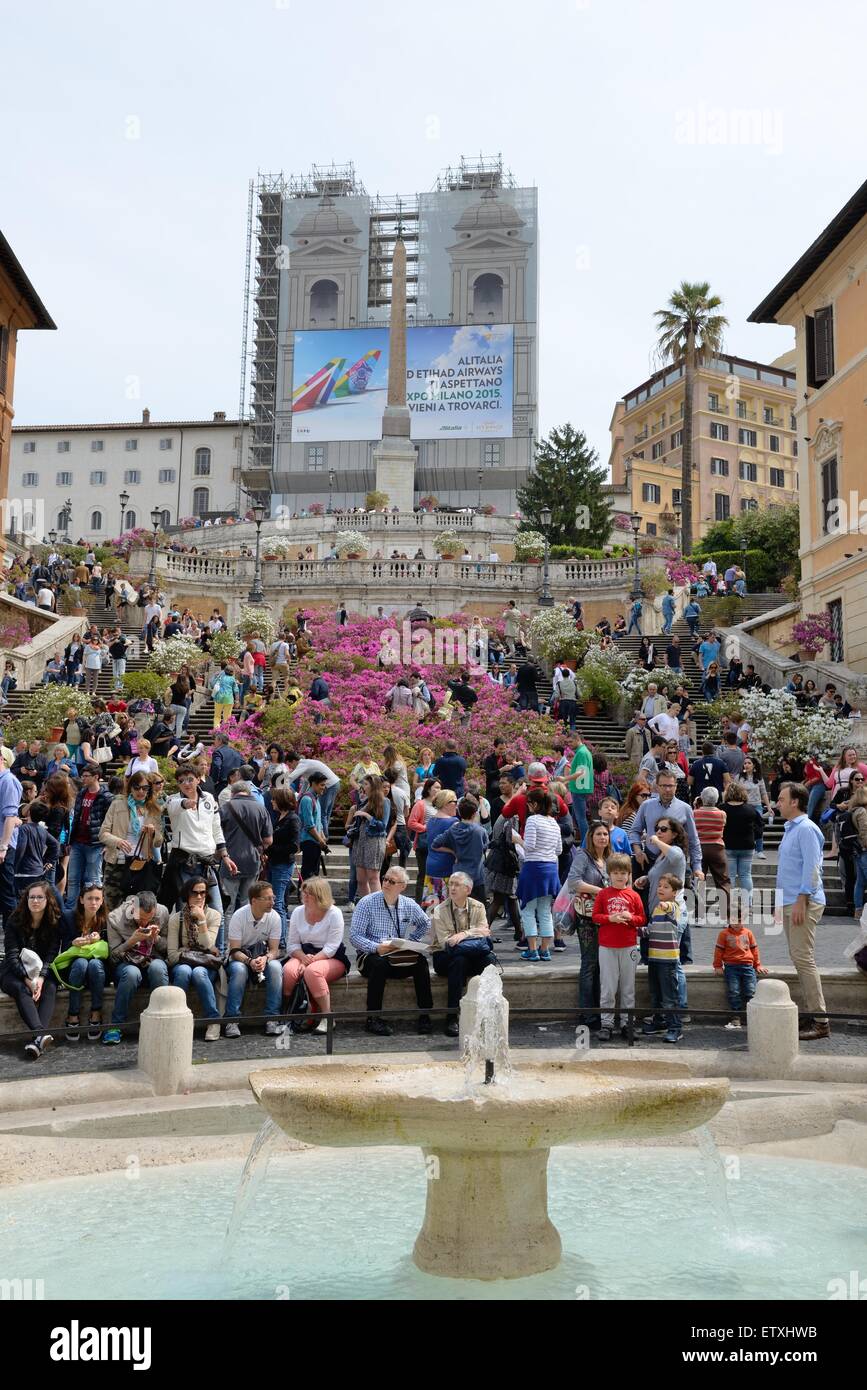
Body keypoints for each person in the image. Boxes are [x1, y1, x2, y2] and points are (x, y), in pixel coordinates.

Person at [349, 865, 434, 1036]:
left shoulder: (409, 904)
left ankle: (425, 1015)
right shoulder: (366, 902)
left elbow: (426, 923)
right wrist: (376, 948)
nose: (386, 883)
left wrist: (411, 942)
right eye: (385, 879)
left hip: (396, 954)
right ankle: (373, 1018)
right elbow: (354, 936)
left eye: (392, 881)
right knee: (379, 964)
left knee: (421, 962)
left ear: (402, 886)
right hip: (370, 956)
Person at [776, 782, 828, 1040]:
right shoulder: (791, 829)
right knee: (799, 957)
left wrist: (801, 899)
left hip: (802, 901)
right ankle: (814, 1013)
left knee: (803, 958)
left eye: (781, 798)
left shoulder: (807, 829)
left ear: (795, 801)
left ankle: (821, 1020)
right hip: (791, 900)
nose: (778, 803)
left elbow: (812, 868)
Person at [162, 768, 233, 921]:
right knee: (187, 911)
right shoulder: (172, 800)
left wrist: (225, 855)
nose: (186, 784)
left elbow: (216, 828)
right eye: (181, 781)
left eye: (189, 779)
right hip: (184, 862)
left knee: (217, 911)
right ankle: (187, 945)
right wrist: (186, 803)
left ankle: (218, 946)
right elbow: (174, 806)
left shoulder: (209, 798)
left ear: (198, 779)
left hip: (206, 862)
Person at [430, 871, 496, 1037]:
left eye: (456, 884)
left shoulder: (478, 906)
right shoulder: (440, 909)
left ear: (468, 889)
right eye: (450, 884)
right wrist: (473, 933)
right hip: (445, 957)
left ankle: (488, 1012)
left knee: (488, 960)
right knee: (459, 960)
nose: (452, 888)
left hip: (471, 954)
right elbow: (447, 942)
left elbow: (485, 933)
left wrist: (463, 935)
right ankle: (452, 1016)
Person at [281, 877, 348, 1032]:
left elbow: (332, 947)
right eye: (303, 893)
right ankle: (288, 1013)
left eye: (308, 894)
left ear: (320, 896)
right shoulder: (298, 912)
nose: (304, 896)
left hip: (331, 956)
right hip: (302, 954)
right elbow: (292, 944)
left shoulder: (334, 913)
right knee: (290, 972)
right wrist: (302, 958)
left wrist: (308, 963)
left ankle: (327, 1017)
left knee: (313, 972)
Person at [102, 891, 170, 1044]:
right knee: (131, 973)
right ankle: (116, 1024)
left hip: (153, 960)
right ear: (133, 907)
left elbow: (168, 950)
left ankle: (163, 1022)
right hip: (126, 965)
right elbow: (112, 958)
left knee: (158, 969)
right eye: (140, 919)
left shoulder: (163, 912)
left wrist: (156, 938)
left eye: (149, 919)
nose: (144, 923)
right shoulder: (115, 918)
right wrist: (131, 941)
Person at [592, 853, 646, 1041]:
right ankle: (606, 1023)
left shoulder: (634, 895)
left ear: (629, 874)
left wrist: (631, 918)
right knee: (607, 986)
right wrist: (610, 918)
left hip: (629, 945)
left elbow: (642, 919)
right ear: (609, 874)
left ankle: (627, 1022)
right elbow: (595, 916)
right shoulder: (603, 894)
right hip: (607, 946)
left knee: (628, 986)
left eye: (623, 873)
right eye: (615, 873)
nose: (620, 876)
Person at [224, 881, 284, 1036]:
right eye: (268, 898)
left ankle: (272, 1018)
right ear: (254, 901)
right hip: (241, 959)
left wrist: (265, 959)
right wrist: (249, 961)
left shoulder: (275, 917)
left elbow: (275, 950)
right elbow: (234, 951)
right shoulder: (239, 916)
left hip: (261, 957)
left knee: (276, 967)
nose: (273, 902)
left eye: (273, 897)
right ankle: (231, 1019)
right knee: (239, 970)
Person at [168, 877, 224, 1041]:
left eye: (203, 893)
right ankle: (177, 1020)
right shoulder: (176, 919)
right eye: (195, 893)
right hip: (182, 965)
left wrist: (201, 920)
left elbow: (207, 944)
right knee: (184, 971)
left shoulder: (214, 915)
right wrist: (193, 954)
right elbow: (171, 956)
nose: (199, 897)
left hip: (205, 966)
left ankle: (213, 1021)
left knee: (199, 973)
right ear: (187, 894)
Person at [567, 821, 611, 1027]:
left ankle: (600, 1011)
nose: (602, 837)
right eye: (598, 834)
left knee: (603, 966)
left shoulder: (610, 858)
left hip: (607, 918)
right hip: (587, 917)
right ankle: (587, 1014)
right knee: (589, 963)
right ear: (591, 837)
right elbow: (573, 882)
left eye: (605, 834)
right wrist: (600, 891)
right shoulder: (583, 856)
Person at [219, 781, 273, 936]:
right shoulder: (261, 809)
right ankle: (244, 941)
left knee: (228, 906)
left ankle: (226, 944)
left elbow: (216, 835)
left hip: (229, 861)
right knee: (247, 904)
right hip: (252, 861)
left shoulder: (225, 808)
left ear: (232, 793)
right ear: (249, 792)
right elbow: (268, 840)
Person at [514, 788, 562, 962]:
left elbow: (530, 846)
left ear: (534, 804)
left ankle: (532, 950)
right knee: (545, 911)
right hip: (550, 869)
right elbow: (559, 850)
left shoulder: (533, 820)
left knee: (528, 910)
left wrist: (517, 840)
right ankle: (544, 950)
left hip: (533, 868)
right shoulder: (554, 822)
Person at [60, 882, 109, 1042]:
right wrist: (73, 942)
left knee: (94, 964)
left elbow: (111, 950)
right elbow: (63, 948)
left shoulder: (106, 920)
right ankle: (72, 1014)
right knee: (81, 963)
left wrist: (100, 938)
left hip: (98, 970)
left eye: (97, 899)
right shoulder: (68, 917)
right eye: (89, 899)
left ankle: (96, 1011)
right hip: (75, 969)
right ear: (81, 900)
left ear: (102, 901)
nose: (93, 903)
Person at [642, 872, 686, 1043]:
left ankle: (675, 1028)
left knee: (669, 997)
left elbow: (669, 907)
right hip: (654, 958)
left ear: (675, 892)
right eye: (659, 886)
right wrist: (632, 928)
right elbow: (649, 930)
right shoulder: (656, 909)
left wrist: (665, 904)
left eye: (666, 887)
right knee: (656, 995)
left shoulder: (673, 907)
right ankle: (659, 1022)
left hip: (668, 961)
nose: (661, 889)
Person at [64, 765, 112, 909]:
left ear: (96, 777)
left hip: (95, 843)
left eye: (86, 776)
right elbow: (76, 817)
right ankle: (71, 910)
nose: (83, 778)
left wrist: (107, 844)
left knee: (93, 880)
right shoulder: (82, 793)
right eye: (83, 776)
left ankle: (94, 910)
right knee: (73, 879)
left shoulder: (106, 797)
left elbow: (110, 822)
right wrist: (70, 841)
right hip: (78, 841)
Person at [430, 795, 488, 904]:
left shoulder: (453, 829)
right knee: (479, 909)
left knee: (458, 909)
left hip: (458, 873)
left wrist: (452, 851)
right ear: (474, 813)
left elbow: (435, 844)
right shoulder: (480, 831)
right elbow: (485, 847)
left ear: (460, 813)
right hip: (476, 875)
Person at [713, 920, 768, 1029]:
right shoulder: (723, 934)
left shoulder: (748, 933)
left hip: (748, 966)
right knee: (734, 991)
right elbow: (718, 951)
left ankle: (751, 1015)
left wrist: (757, 965)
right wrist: (718, 966)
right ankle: (736, 1015)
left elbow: (754, 950)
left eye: (739, 921)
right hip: (731, 967)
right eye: (733, 921)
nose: (736, 923)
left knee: (751, 991)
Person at [346, 774, 391, 898]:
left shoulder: (384, 801)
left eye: (366, 784)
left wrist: (367, 816)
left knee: (373, 878)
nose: (363, 787)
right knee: (360, 879)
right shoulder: (365, 801)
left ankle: (377, 908)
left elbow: (383, 825)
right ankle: (365, 906)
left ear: (373, 785)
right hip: (360, 841)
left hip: (374, 841)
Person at [692, 787, 731, 923]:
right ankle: (725, 916)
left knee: (699, 882)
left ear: (702, 798)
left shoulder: (695, 813)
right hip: (717, 848)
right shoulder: (722, 814)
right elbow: (724, 826)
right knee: (723, 882)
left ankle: (699, 916)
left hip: (700, 848)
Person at [268, 787, 300, 948]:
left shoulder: (292, 819)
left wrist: (271, 849)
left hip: (283, 864)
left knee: (278, 902)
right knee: (274, 901)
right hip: (274, 862)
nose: (272, 801)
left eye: (274, 799)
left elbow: (294, 846)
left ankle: (280, 939)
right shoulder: (280, 817)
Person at [284, 753, 340, 837]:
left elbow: (291, 778)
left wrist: (281, 788)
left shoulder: (302, 764)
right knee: (325, 814)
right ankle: (324, 837)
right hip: (334, 783)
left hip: (329, 785)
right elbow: (306, 783)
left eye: (290, 764)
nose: (291, 768)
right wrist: (300, 795)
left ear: (294, 761)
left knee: (322, 813)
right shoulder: (306, 764)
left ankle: (323, 838)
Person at [297, 772, 329, 883]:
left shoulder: (316, 798)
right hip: (309, 841)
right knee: (308, 873)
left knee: (314, 873)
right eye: (322, 785)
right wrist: (321, 841)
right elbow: (309, 825)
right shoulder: (307, 799)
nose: (323, 788)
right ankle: (303, 898)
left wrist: (323, 836)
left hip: (316, 841)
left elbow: (318, 821)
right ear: (313, 784)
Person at [567, 733, 594, 841]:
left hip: (579, 788)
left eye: (571, 742)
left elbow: (581, 772)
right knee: (576, 817)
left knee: (581, 818)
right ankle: (581, 841)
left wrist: (565, 779)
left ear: (577, 739)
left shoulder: (582, 752)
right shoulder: (582, 751)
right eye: (567, 742)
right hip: (579, 787)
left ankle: (585, 843)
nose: (569, 745)